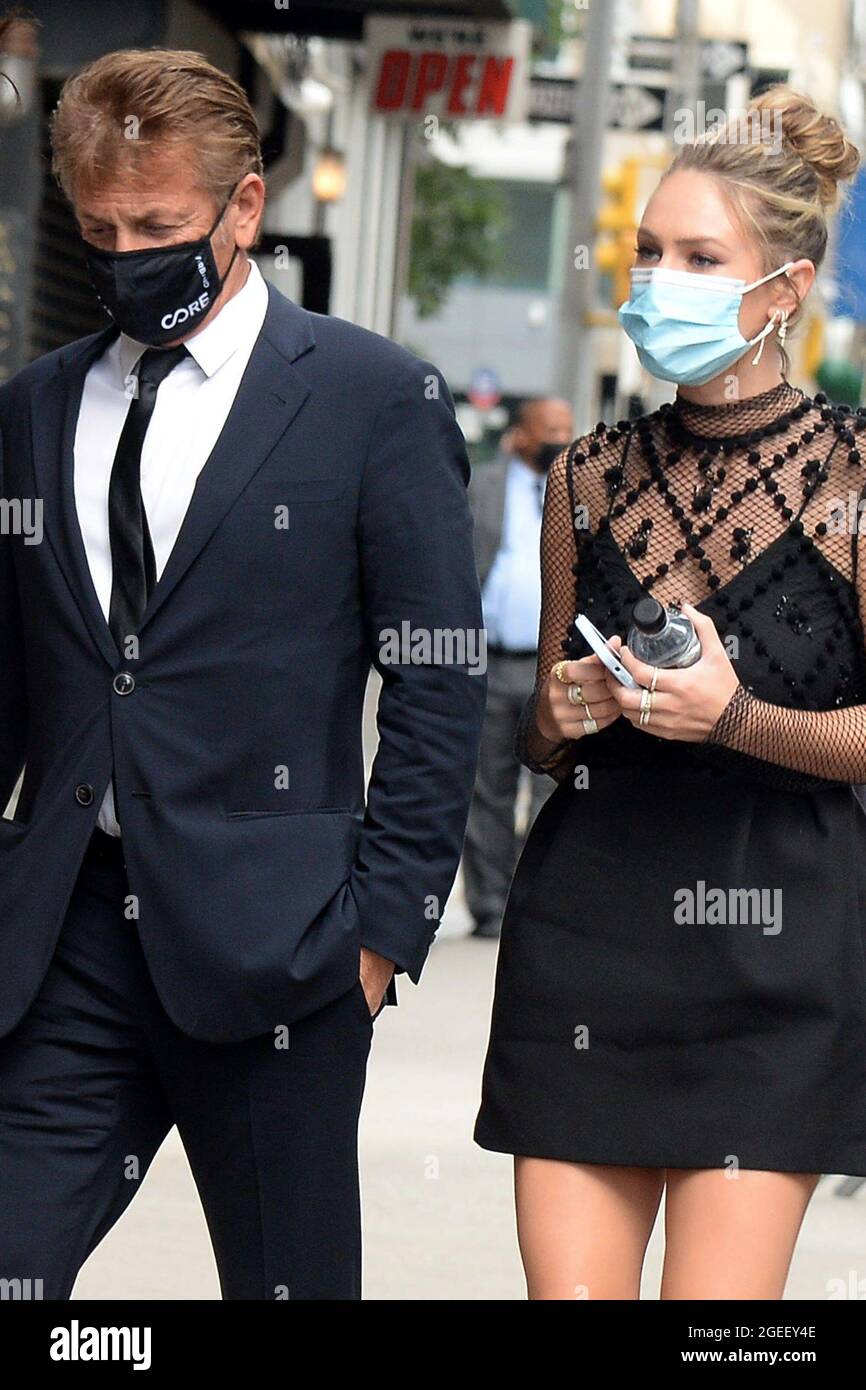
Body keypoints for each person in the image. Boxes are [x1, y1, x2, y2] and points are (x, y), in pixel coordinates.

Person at [0, 47, 485, 1300]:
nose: (124, 258)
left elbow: (433, 678)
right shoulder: (35, 407)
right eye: (98, 231)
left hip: (281, 946)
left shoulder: (372, 399)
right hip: (66, 940)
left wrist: (382, 932)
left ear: (244, 207)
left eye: (157, 227)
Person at [475, 87, 866, 1299]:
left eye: (700, 257)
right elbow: (539, 730)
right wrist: (569, 708)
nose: (659, 280)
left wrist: (734, 718)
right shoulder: (584, 476)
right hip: (587, 938)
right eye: (649, 252)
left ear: (783, 290)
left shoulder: (854, 474)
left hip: (778, 950)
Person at [464, 397, 573, 938]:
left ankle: (530, 900)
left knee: (553, 787)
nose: (561, 437)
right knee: (488, 787)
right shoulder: (482, 485)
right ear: (522, 435)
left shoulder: (581, 488)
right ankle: (488, 906)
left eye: (567, 429)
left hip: (554, 667)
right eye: (551, 428)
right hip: (488, 661)